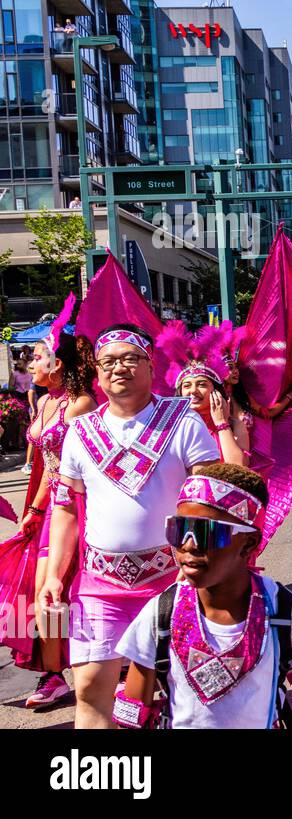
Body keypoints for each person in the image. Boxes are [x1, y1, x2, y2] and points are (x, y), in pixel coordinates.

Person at [39, 323, 221, 728]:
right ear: (98, 373)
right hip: (100, 584)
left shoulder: (184, 420)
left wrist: (204, 563)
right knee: (89, 690)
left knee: (188, 689)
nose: (118, 368)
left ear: (149, 365)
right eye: (108, 362)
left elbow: (209, 498)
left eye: (129, 358)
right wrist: (54, 574)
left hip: (174, 582)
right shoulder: (80, 432)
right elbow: (66, 510)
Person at [112, 464, 292, 729]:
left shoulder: (284, 611)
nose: (188, 545)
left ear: (249, 543)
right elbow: (131, 714)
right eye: (179, 528)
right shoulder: (161, 614)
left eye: (206, 533)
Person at [0, 295, 95, 707]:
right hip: (50, 503)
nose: (31, 364)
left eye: (37, 356)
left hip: (80, 506)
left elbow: (69, 468)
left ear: (58, 363)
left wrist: (40, 508)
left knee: (75, 590)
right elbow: (43, 462)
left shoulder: (82, 404)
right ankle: (55, 673)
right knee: (45, 593)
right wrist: (33, 509)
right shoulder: (44, 401)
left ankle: (105, 665)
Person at [156, 321, 249, 466]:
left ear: (216, 391)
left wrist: (221, 424)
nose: (193, 390)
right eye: (187, 385)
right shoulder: (170, 425)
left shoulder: (234, 425)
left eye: (202, 384)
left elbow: (238, 467)